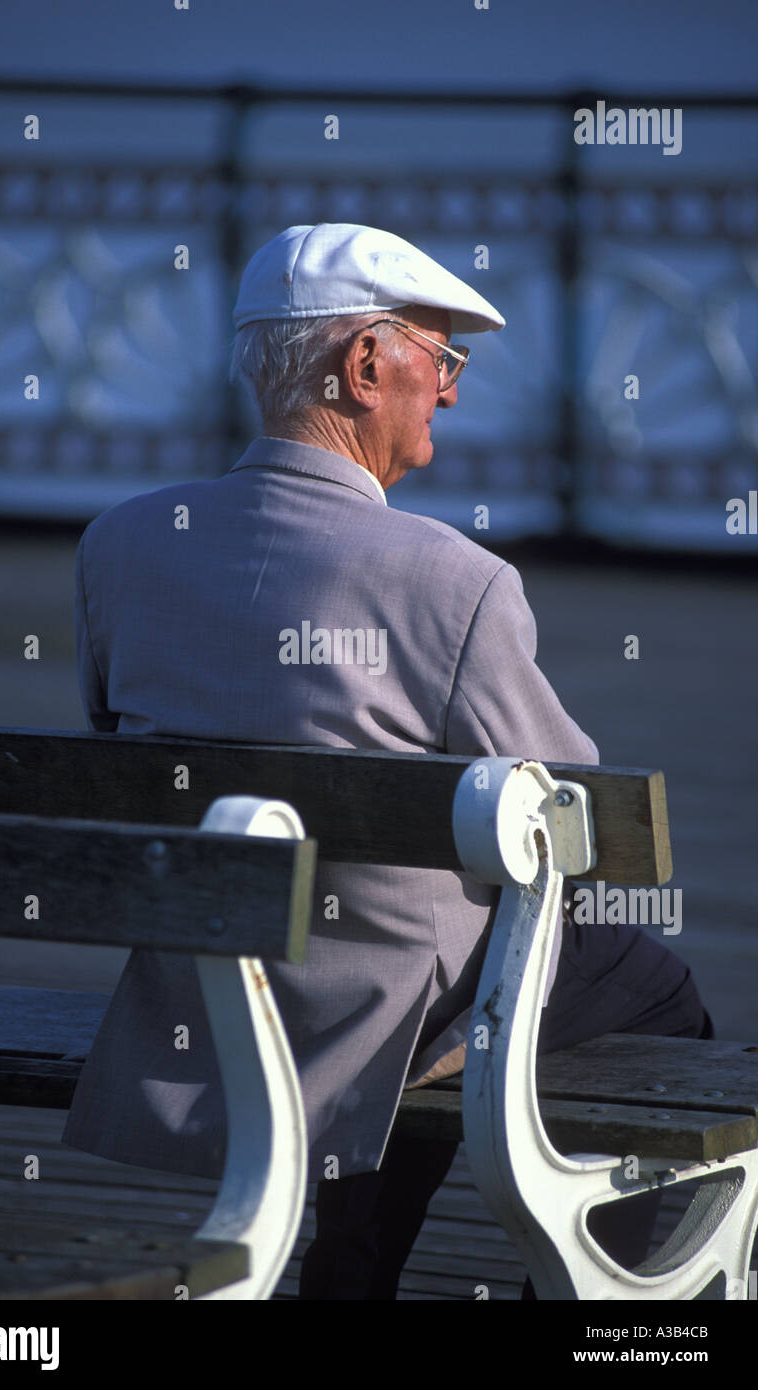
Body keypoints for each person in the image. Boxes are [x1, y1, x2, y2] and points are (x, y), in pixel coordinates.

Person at [61, 222, 712, 1299]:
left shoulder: (121, 544)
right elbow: (578, 827)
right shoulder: (452, 580)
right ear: (365, 365)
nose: (449, 393)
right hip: (382, 999)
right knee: (643, 984)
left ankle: (356, 1262)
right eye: (440, 359)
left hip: (209, 980)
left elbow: (110, 747)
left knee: (419, 949)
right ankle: (621, 1298)